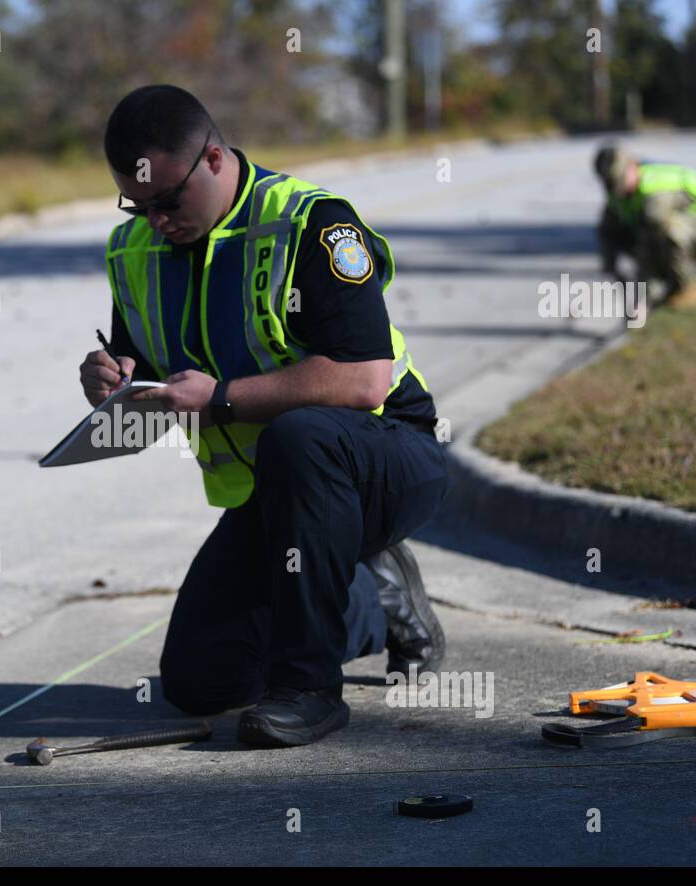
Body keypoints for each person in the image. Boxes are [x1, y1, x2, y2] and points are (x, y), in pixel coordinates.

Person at [78, 85, 448, 747]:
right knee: (200, 683)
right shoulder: (133, 252)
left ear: (214, 159)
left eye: (167, 201)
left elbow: (364, 380)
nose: (155, 220)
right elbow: (144, 378)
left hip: (387, 459)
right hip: (277, 498)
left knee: (301, 434)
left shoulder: (312, 223)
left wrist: (222, 397)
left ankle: (310, 691)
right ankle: (376, 598)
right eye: (137, 205)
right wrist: (111, 381)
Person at [594, 144, 696, 309]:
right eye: (610, 184)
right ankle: (668, 287)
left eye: (619, 180)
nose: (616, 189)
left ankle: (688, 289)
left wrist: (646, 296)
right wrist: (612, 269)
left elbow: (649, 243)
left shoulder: (656, 190)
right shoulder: (619, 194)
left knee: (668, 229)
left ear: (632, 167)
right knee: (635, 235)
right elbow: (607, 232)